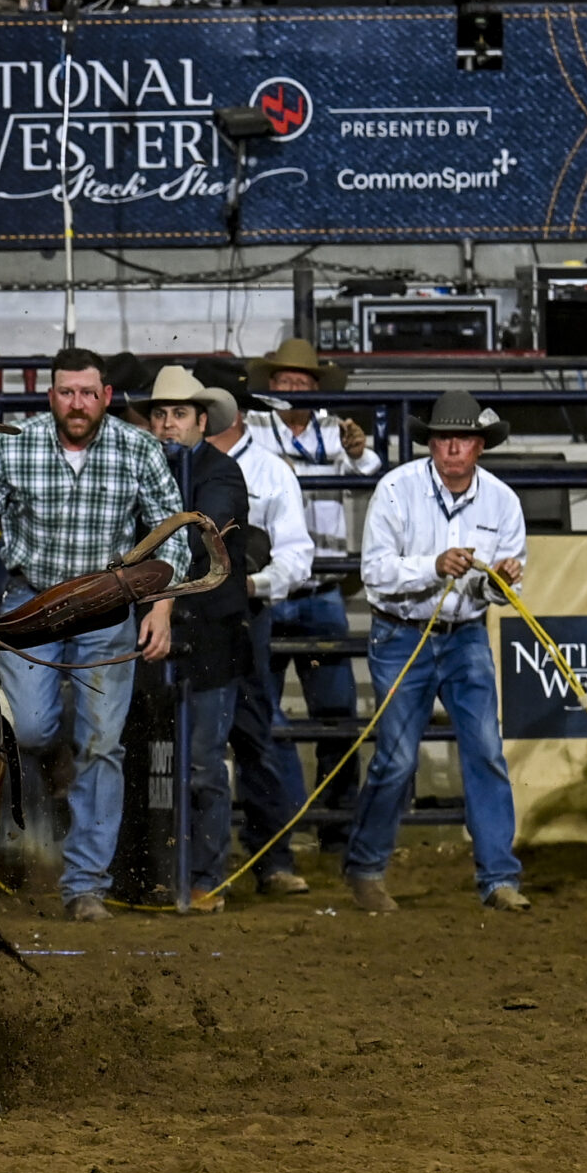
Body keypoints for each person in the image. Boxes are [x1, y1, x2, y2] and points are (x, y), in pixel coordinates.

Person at [0, 347, 190, 923]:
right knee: (28, 729)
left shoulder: (137, 449)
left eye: (88, 393)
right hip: (33, 603)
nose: (77, 403)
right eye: (66, 392)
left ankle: (86, 883)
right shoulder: (14, 445)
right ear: (51, 396)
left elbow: (172, 529)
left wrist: (161, 607)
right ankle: (34, 815)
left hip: (108, 606)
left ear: (106, 396)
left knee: (102, 744)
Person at [346, 390, 529, 916]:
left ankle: (499, 876)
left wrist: (500, 580)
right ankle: (366, 868)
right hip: (401, 634)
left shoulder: (503, 501)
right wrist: (432, 566)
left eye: (463, 439)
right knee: (398, 759)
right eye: (444, 438)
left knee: (486, 751)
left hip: (465, 633)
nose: (452, 448)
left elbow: (503, 589)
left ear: (479, 446)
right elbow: (374, 572)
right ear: (431, 443)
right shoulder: (395, 489)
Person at [246, 336, 379, 853]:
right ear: (272, 385)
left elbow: (368, 473)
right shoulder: (253, 428)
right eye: (285, 380)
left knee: (336, 716)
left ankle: (336, 828)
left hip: (319, 585)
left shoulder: (337, 431)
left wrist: (359, 452)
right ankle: (281, 826)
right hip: (273, 586)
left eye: (301, 381)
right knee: (264, 714)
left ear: (314, 386)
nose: (293, 387)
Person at [143, 366, 250, 913]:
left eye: (179, 414)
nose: (168, 424)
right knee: (156, 759)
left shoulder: (221, 473)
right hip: (161, 628)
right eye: (160, 414)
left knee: (203, 761)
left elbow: (201, 533)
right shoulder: (162, 468)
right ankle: (160, 871)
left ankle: (205, 874)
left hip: (207, 635)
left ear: (201, 421)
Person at [205, 384, 315, 898]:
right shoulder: (180, 462)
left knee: (253, 731)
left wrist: (252, 583)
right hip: (190, 613)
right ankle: (200, 862)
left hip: (245, 610)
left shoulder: (271, 470)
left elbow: (295, 554)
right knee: (205, 739)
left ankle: (272, 857)